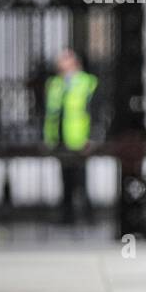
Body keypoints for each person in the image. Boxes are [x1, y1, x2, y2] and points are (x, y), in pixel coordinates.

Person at [43, 48, 98, 226]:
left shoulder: (87, 82)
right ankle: (67, 217)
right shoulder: (55, 84)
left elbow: (93, 111)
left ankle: (88, 216)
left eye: (64, 60)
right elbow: (51, 113)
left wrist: (91, 136)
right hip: (60, 138)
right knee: (65, 179)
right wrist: (49, 138)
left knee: (81, 180)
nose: (61, 64)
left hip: (79, 138)